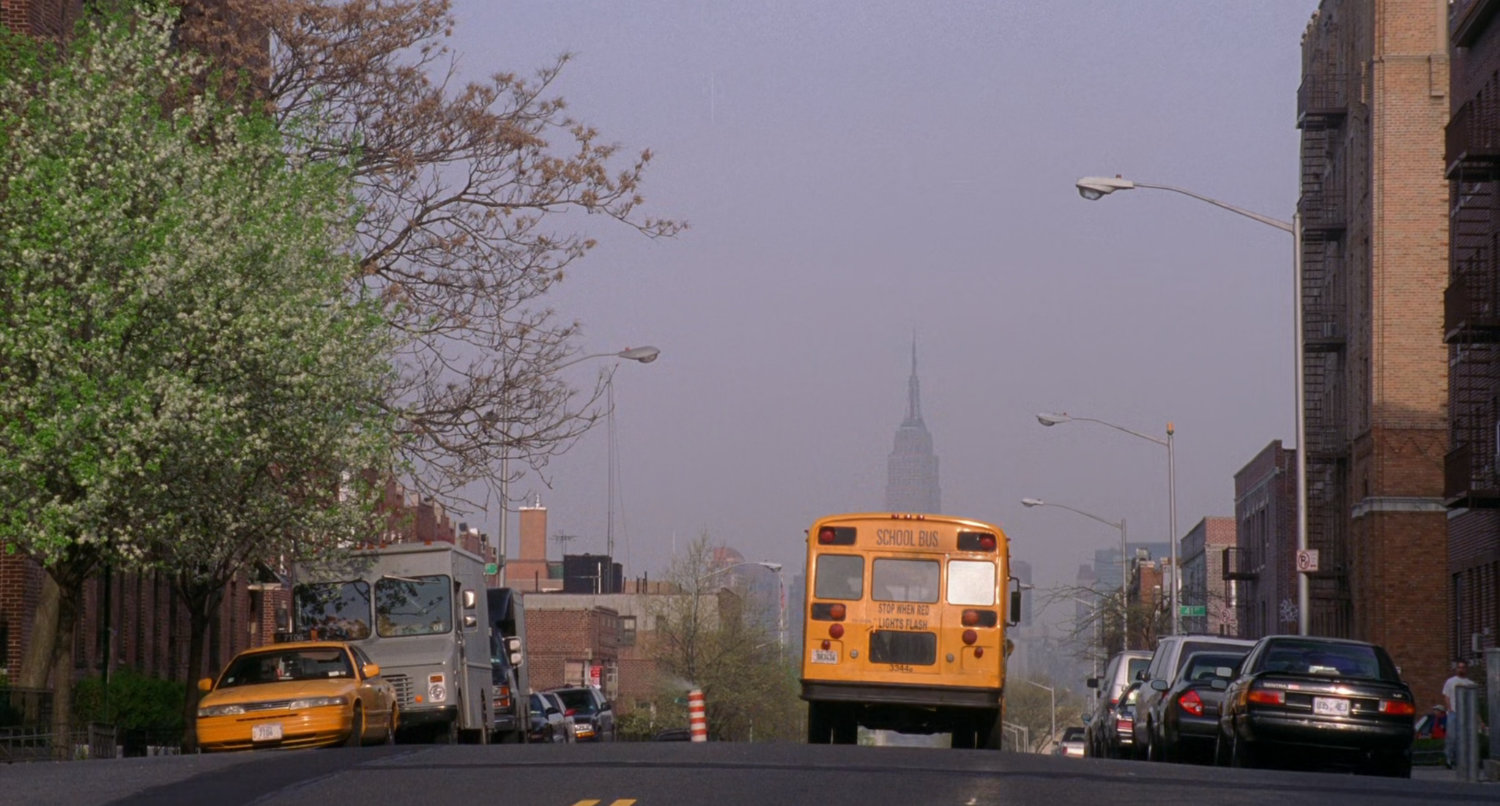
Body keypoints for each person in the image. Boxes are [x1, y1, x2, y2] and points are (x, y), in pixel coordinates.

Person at [1442, 660, 1472, 769]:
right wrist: (1450, 708)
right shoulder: (1450, 682)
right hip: (1453, 713)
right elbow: (1446, 696)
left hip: (1466, 714)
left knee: (1464, 738)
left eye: (1463, 667)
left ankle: (1461, 760)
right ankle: (1449, 759)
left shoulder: (1469, 683)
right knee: (1452, 737)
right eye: (1459, 667)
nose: (1461, 669)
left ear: (1466, 669)